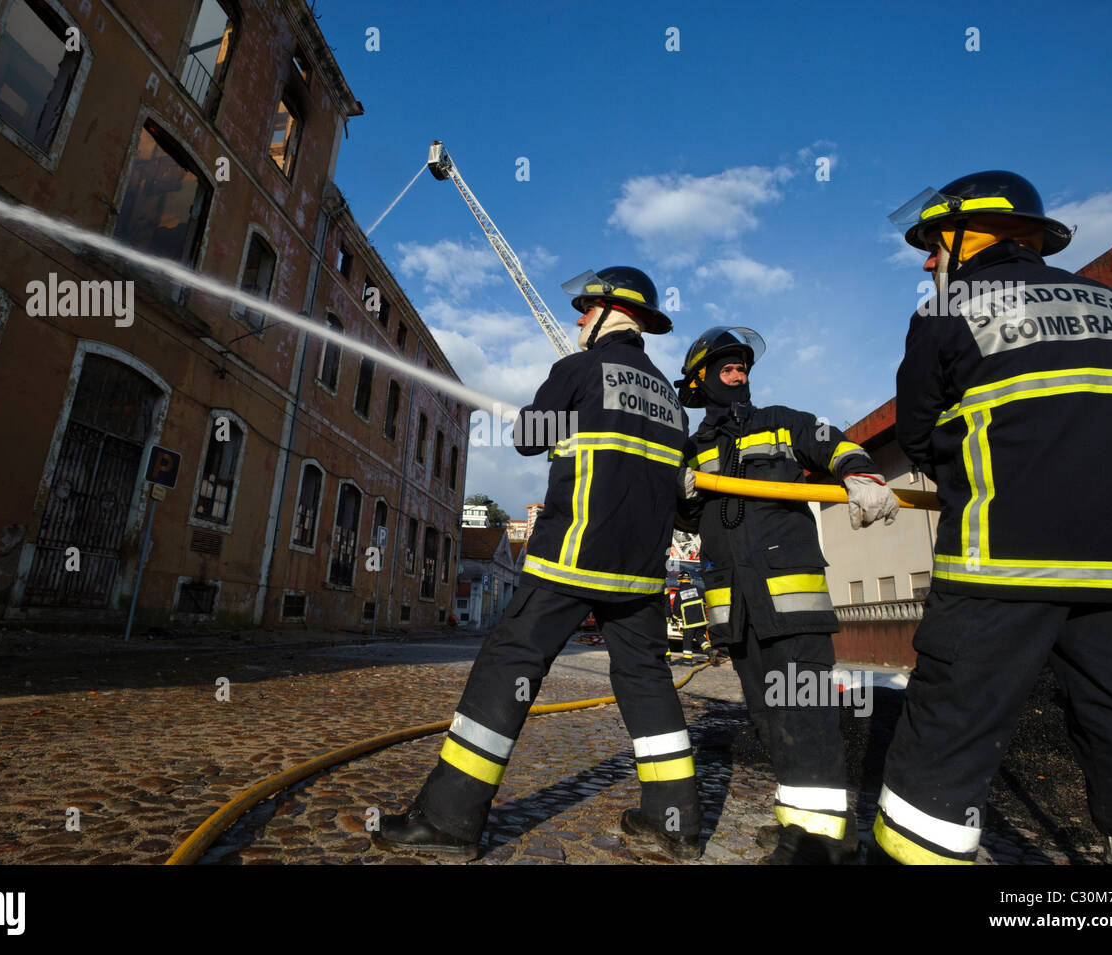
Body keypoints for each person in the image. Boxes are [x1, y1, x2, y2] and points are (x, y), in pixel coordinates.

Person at [878, 170, 1112, 864]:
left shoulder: (947, 309)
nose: (928, 260)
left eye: (932, 243)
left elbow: (919, 431)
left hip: (1001, 564)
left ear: (965, 232)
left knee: (947, 738)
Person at [374, 266, 703, 861]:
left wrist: (554, 408)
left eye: (586, 308)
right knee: (648, 682)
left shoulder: (577, 370)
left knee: (509, 668)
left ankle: (448, 821)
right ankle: (673, 823)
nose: (578, 318)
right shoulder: (671, 400)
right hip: (640, 576)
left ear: (609, 313)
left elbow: (529, 437)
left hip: (570, 561)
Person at [675, 326, 898, 863]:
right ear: (701, 380)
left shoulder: (782, 421)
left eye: (742, 367)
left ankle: (824, 845)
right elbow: (688, 519)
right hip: (738, 609)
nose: (739, 374)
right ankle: (799, 827)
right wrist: (678, 491)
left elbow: (835, 442)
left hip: (791, 602)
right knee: (769, 714)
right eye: (726, 368)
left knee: (805, 710)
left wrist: (861, 473)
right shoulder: (696, 448)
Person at [669, 570, 713, 665]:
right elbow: (706, 601)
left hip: (689, 623)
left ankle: (687, 661)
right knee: (700, 636)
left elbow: (676, 610)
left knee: (687, 640)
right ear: (689, 580)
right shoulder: (698, 589)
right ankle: (709, 651)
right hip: (701, 621)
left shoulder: (679, 593)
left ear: (680, 581)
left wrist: (674, 618)